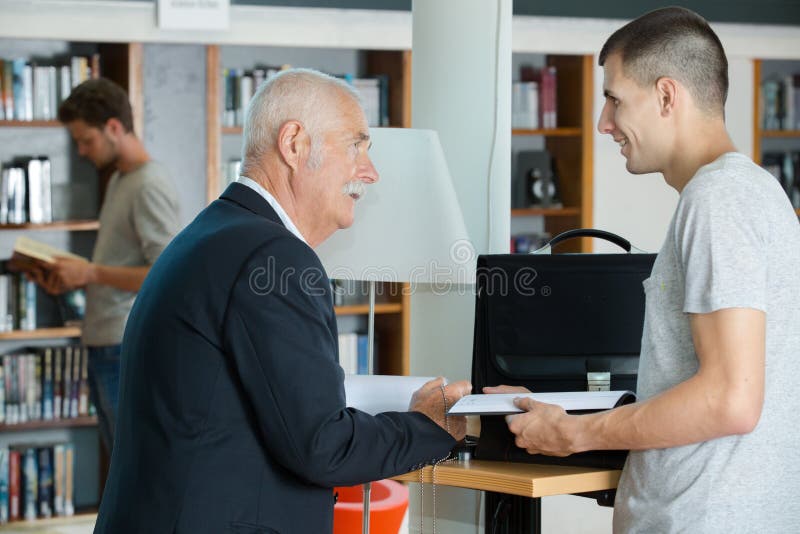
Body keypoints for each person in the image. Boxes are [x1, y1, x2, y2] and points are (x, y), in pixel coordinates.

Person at [93, 68, 470, 534]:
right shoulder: (273, 256)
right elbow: (321, 445)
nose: (371, 171)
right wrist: (430, 426)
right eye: (356, 145)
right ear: (294, 145)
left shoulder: (214, 234)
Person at [489, 7, 800, 532]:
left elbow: (730, 399)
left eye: (614, 99)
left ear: (666, 96)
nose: (603, 123)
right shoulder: (754, 193)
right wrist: (563, 410)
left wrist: (576, 435)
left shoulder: (717, 200)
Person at [15, 78, 180, 454]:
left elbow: (167, 275)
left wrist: (90, 273)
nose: (81, 150)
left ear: (114, 127)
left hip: (126, 346)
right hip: (106, 344)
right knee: (122, 463)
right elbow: (122, 265)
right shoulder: (122, 180)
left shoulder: (148, 184)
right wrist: (76, 278)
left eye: (86, 140)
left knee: (133, 466)